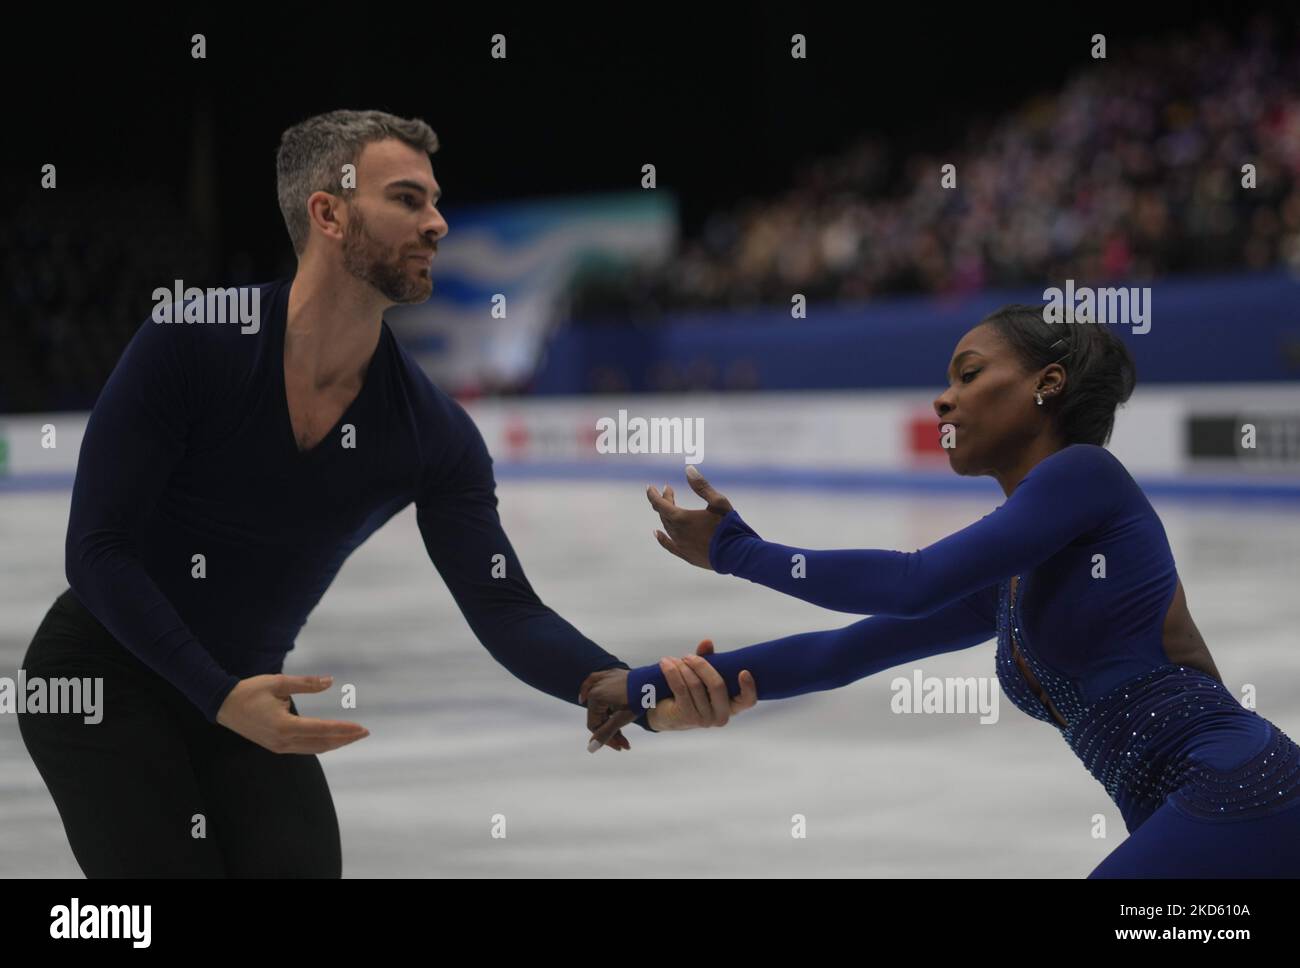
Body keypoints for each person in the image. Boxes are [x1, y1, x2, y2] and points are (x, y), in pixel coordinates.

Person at [17, 109, 750, 878]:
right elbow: (97, 552)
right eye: (406, 199)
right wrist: (217, 693)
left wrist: (630, 689)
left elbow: (505, 607)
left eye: (434, 201)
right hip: (100, 679)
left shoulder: (430, 434)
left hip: (248, 694)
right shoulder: (192, 341)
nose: (436, 222)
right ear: (328, 212)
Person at [588, 305, 1300, 877]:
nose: (943, 397)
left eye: (968, 374)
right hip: (1204, 815)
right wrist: (648, 691)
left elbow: (912, 580)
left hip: (1240, 790)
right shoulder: (1015, 575)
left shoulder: (1087, 475)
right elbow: (840, 655)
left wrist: (740, 553)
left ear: (1046, 384)